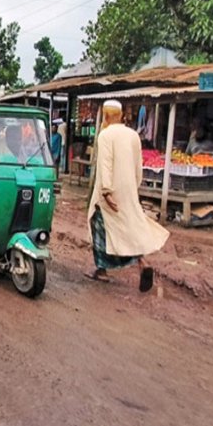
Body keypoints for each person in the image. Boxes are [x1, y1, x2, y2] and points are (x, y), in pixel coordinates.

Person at [87, 100, 169, 292]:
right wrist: (133, 187)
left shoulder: (105, 135)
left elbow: (105, 164)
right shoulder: (133, 135)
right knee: (127, 227)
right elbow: (138, 166)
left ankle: (102, 270)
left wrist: (106, 192)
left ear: (106, 115)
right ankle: (142, 261)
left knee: (100, 227)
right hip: (128, 189)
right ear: (121, 114)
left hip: (108, 191)